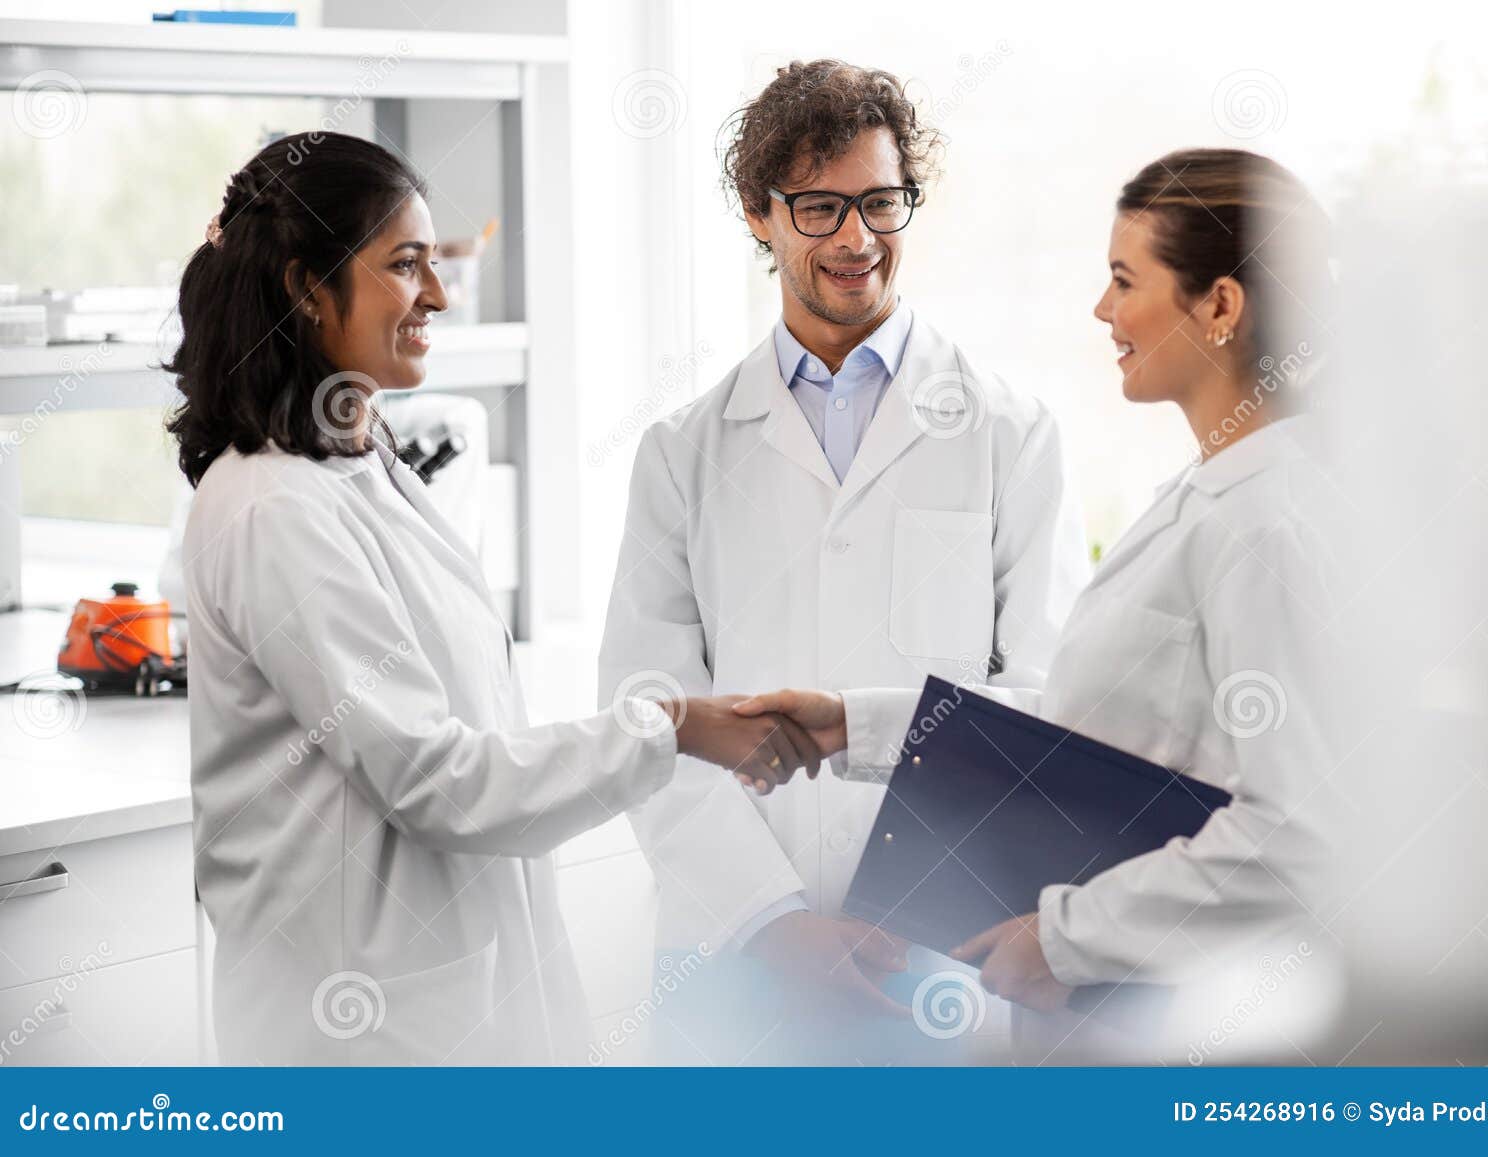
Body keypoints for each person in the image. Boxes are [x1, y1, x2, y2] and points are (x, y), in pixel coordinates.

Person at [168, 133, 819, 1065]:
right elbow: (435, 779)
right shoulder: (272, 508)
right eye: (405, 265)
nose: (437, 293)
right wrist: (668, 726)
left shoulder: (359, 462)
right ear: (309, 288)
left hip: (455, 992)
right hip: (355, 1030)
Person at [735, 147, 1341, 1063]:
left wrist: (1065, 938)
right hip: (1114, 1013)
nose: (1103, 311)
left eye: (1124, 280)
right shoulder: (1210, 495)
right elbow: (1084, 742)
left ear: (1219, 305)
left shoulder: (1266, 523)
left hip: (1175, 1022)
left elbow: (1300, 831)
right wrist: (845, 727)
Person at [596, 60, 1087, 1061]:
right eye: (819, 207)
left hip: (933, 946)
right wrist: (770, 920)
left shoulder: (1010, 433)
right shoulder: (683, 452)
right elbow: (647, 712)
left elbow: (1049, 700)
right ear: (758, 212)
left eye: (880, 202)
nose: (856, 238)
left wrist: (914, 908)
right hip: (729, 951)